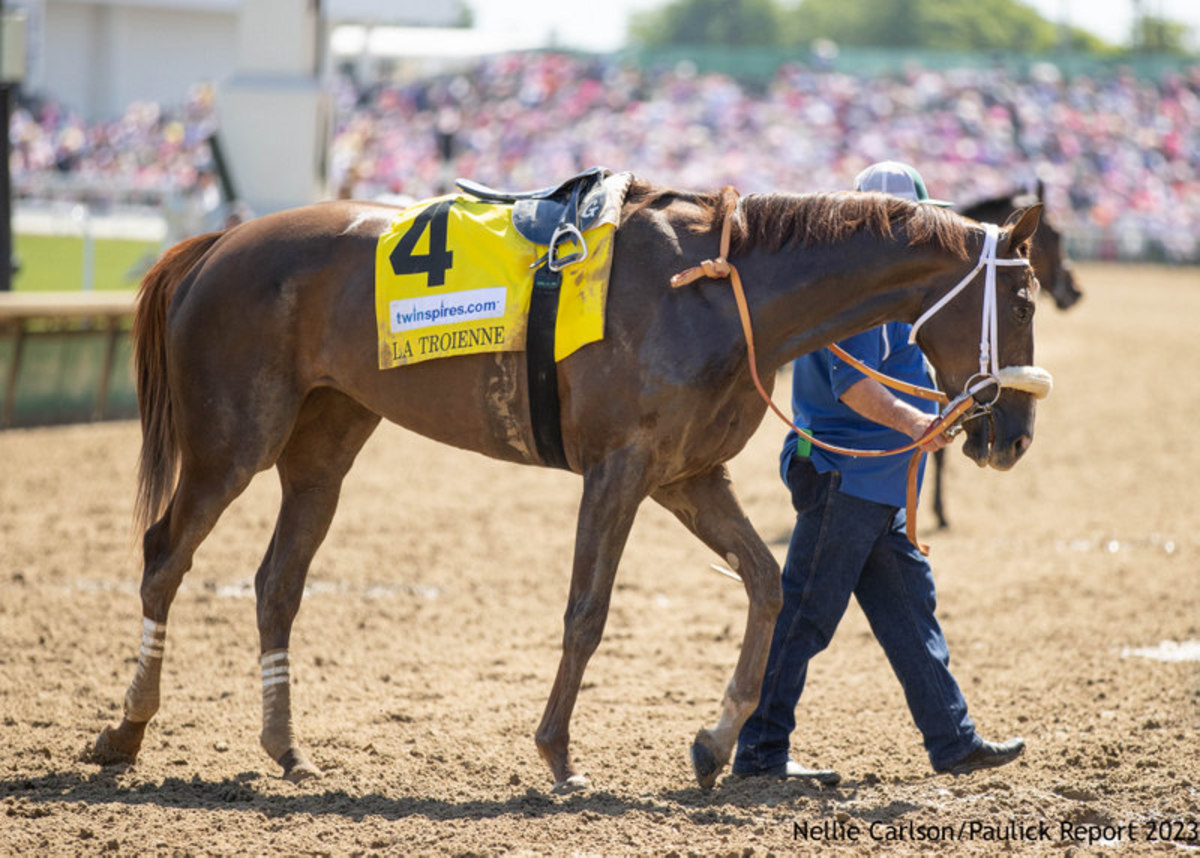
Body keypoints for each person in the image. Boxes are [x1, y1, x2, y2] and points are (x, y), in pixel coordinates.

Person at [732, 161, 1025, 784]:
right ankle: (758, 755)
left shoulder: (896, 292)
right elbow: (857, 387)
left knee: (910, 614)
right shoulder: (857, 296)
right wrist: (920, 426)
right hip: (846, 475)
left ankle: (953, 740)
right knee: (805, 618)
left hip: (876, 479)